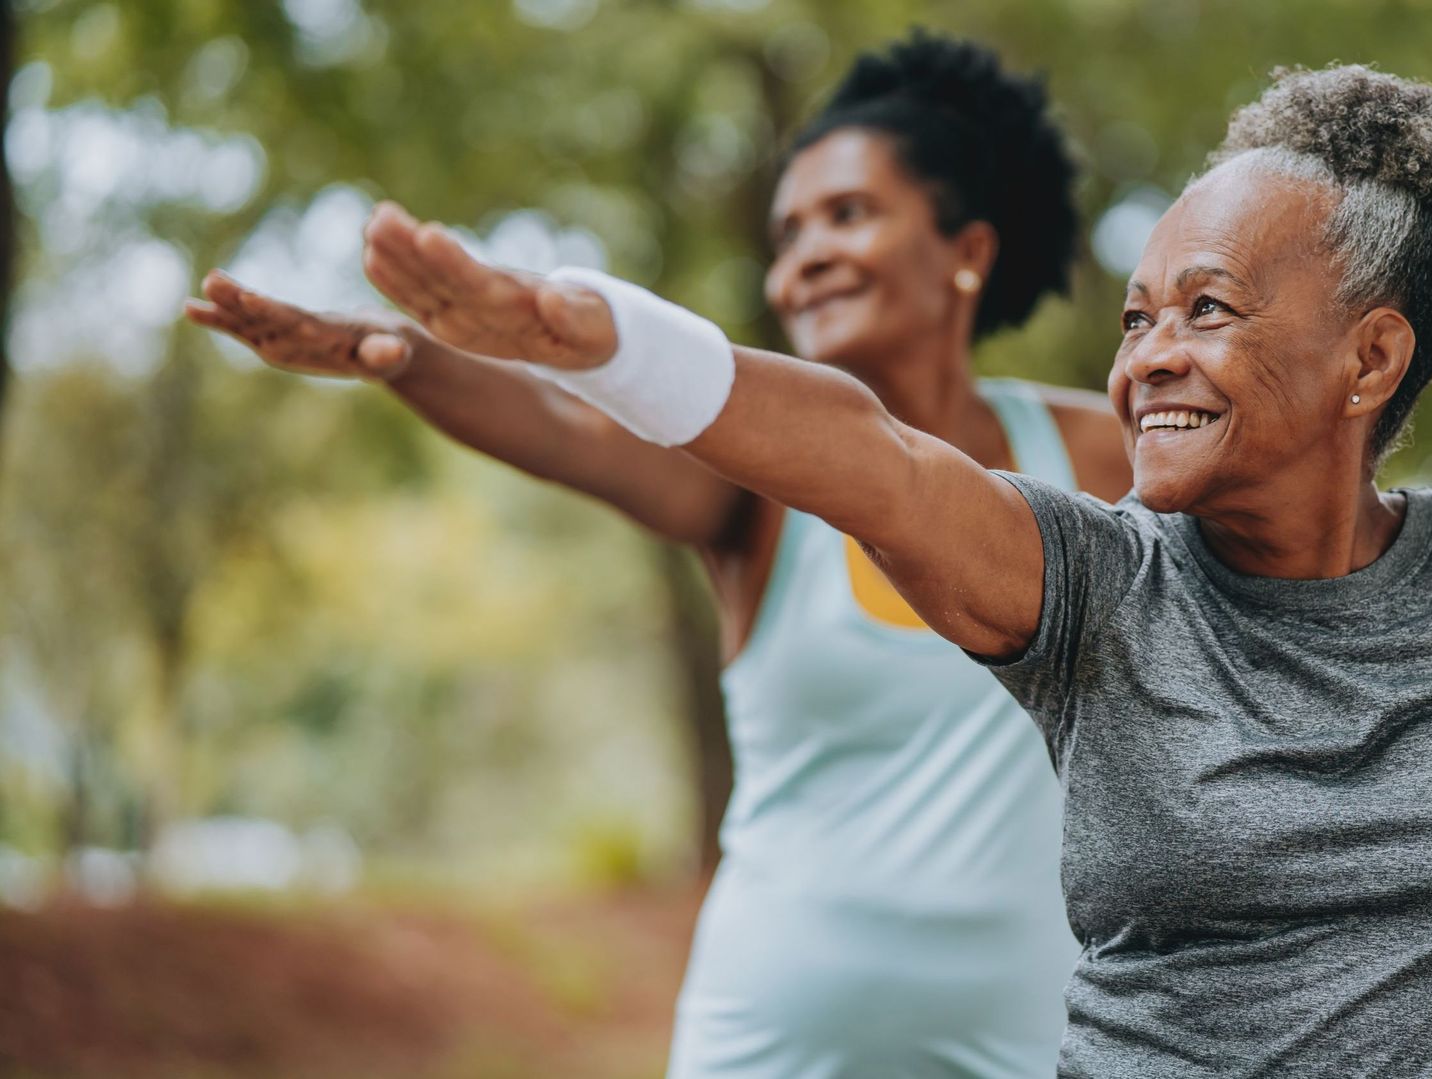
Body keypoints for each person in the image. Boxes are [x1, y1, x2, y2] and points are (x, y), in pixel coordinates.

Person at [321, 63, 1432, 1078]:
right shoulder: (1091, 584)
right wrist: (600, 341)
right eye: (1139, 312)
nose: (1149, 354)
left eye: (1208, 310)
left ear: (1374, 354)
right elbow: (867, 454)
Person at [187, 33, 1130, 1079]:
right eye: (788, 231)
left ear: (970, 250)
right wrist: (407, 356)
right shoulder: (756, 496)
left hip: (1030, 1043)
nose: (802, 255)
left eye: (848, 214)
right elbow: (569, 428)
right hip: (767, 1042)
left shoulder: (1091, 456)